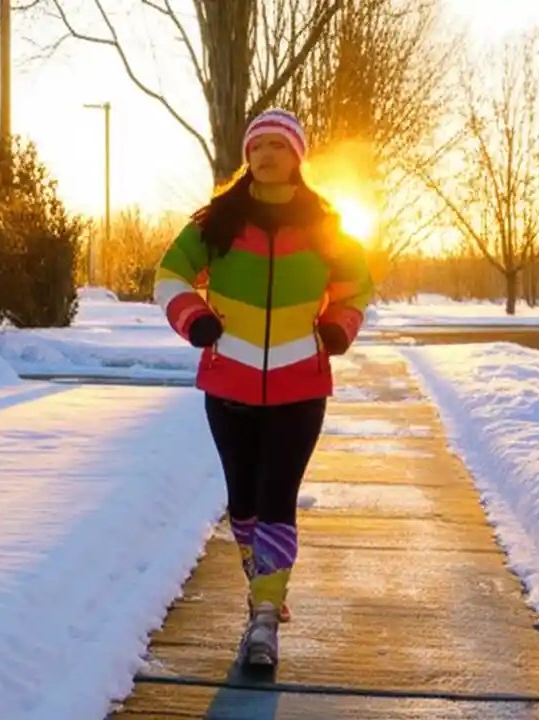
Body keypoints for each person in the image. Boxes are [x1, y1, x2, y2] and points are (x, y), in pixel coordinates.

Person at [153, 109, 375, 668]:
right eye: (258, 146)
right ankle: (264, 582)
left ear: (297, 156)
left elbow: (356, 288)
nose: (267, 154)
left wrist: (337, 327)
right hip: (229, 383)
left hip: (300, 389)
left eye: (279, 144)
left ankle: (264, 619)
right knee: (244, 507)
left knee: (277, 500)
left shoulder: (324, 225)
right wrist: (194, 320)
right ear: (247, 157)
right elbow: (169, 275)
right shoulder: (216, 224)